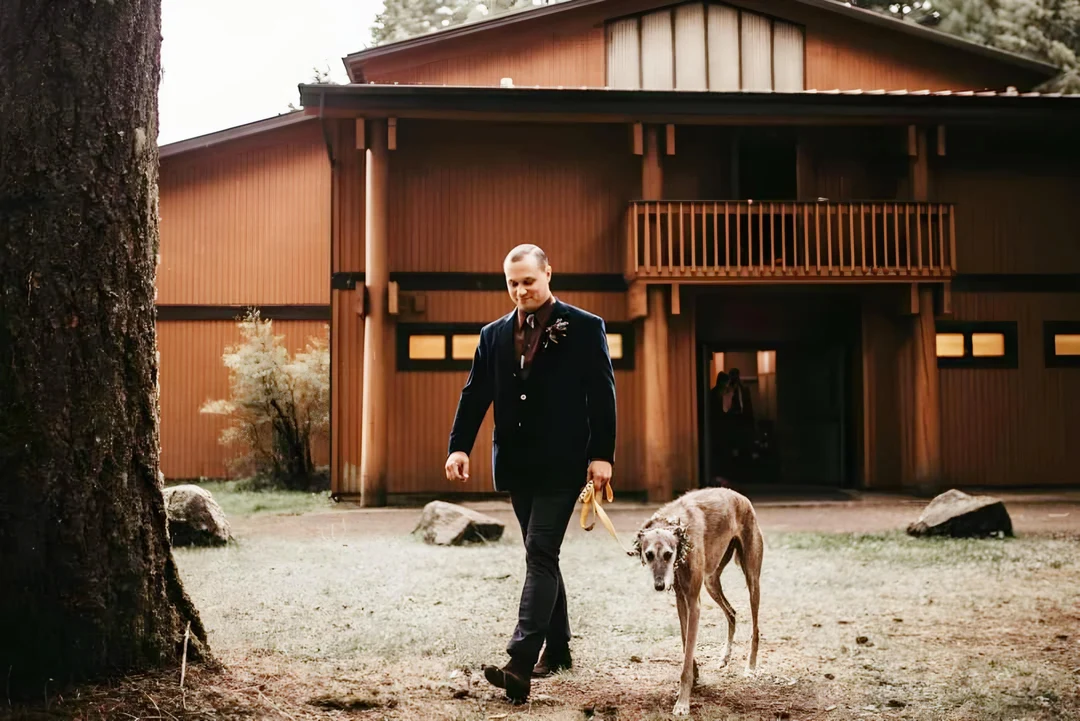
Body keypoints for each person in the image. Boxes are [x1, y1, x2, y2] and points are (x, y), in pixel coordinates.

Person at [444, 244, 617, 704]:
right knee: (542, 554)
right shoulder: (493, 334)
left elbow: (602, 394)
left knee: (540, 552)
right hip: (517, 465)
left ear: (547, 274)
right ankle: (558, 652)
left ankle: (519, 662)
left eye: (528, 281)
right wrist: (459, 445)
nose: (520, 290)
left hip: (564, 462)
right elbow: (475, 392)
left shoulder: (584, 327)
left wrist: (602, 454)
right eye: (512, 283)